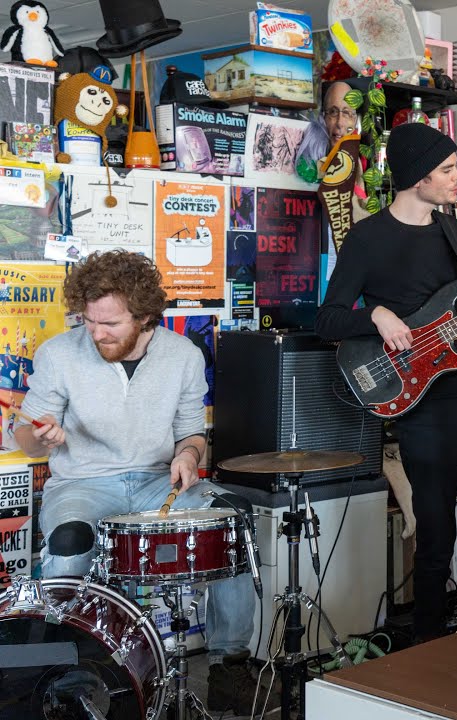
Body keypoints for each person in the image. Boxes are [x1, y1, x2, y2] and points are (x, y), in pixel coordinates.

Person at [316, 123, 457, 642]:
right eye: (447, 170)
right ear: (418, 177)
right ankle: (427, 645)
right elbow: (327, 319)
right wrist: (375, 315)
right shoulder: (368, 237)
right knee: (435, 527)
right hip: (419, 401)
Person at [19, 250, 270, 716]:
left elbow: (192, 431)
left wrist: (189, 454)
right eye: (89, 320)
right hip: (83, 483)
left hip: (159, 482)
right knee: (70, 540)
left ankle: (228, 666)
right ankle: (70, 675)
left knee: (235, 518)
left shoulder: (184, 356)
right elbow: (26, 438)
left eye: (110, 324)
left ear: (144, 315)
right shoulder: (58, 353)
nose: (96, 333)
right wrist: (40, 438)